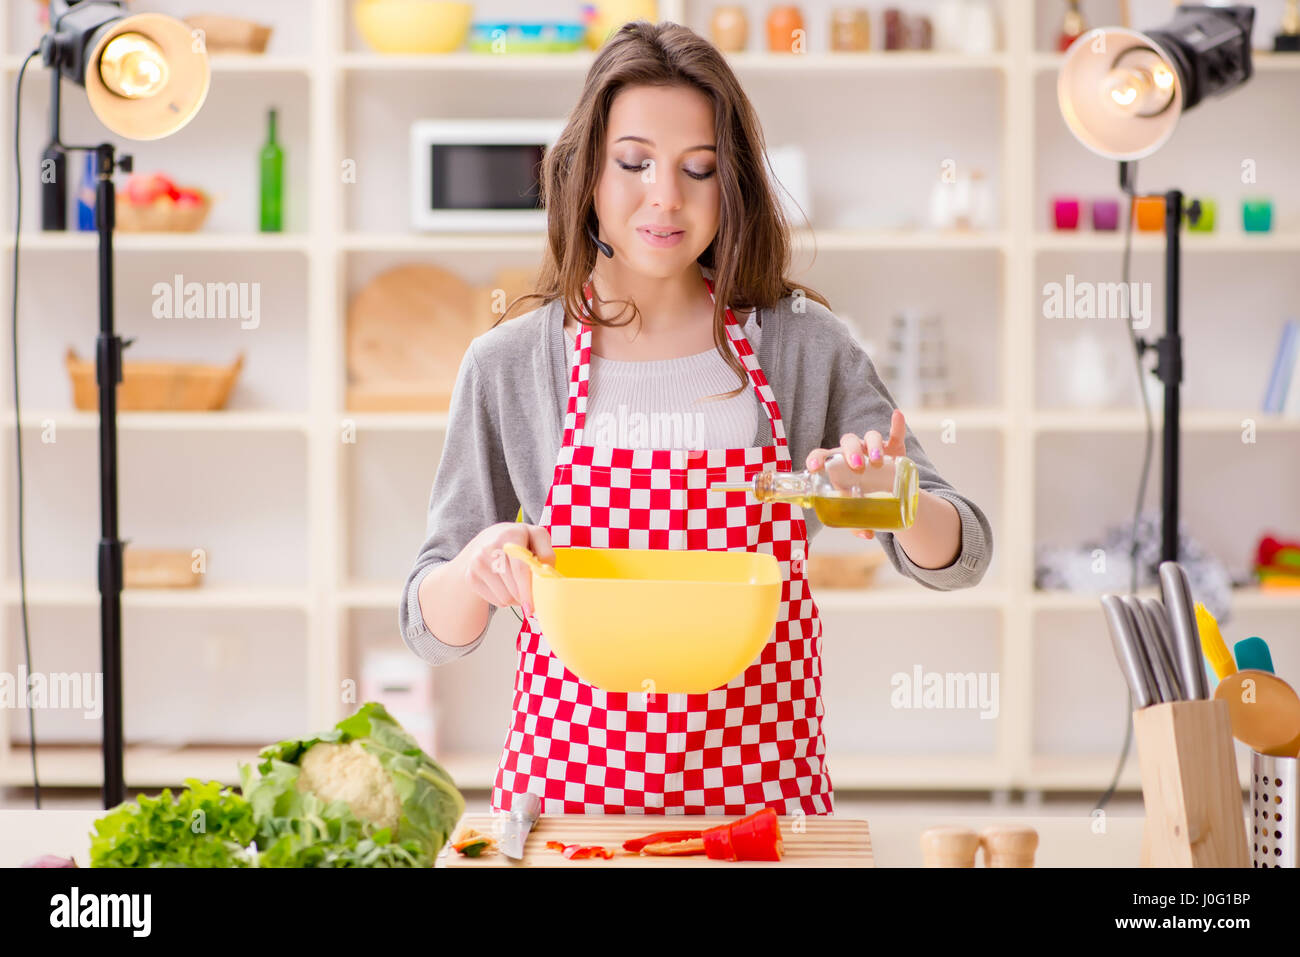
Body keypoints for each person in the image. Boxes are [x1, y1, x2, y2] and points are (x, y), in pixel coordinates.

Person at [400, 21, 992, 815]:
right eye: (634, 162)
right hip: (570, 808)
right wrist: (477, 564)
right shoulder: (509, 364)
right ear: (584, 176)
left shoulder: (801, 346)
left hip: (757, 805)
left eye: (699, 169)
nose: (665, 198)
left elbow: (964, 553)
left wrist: (895, 499)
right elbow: (429, 625)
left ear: (732, 184)